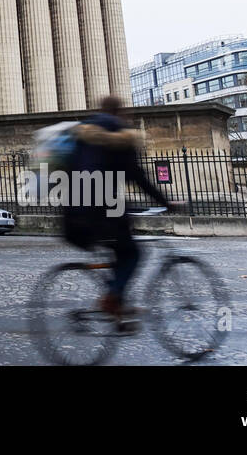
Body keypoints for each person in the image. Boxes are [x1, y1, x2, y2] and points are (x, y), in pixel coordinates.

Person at [62, 95, 171, 326]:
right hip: (100, 206)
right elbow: (137, 177)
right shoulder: (120, 137)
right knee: (132, 253)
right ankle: (113, 298)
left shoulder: (79, 133)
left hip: (72, 209)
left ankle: (116, 303)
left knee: (117, 241)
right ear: (119, 113)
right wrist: (167, 202)